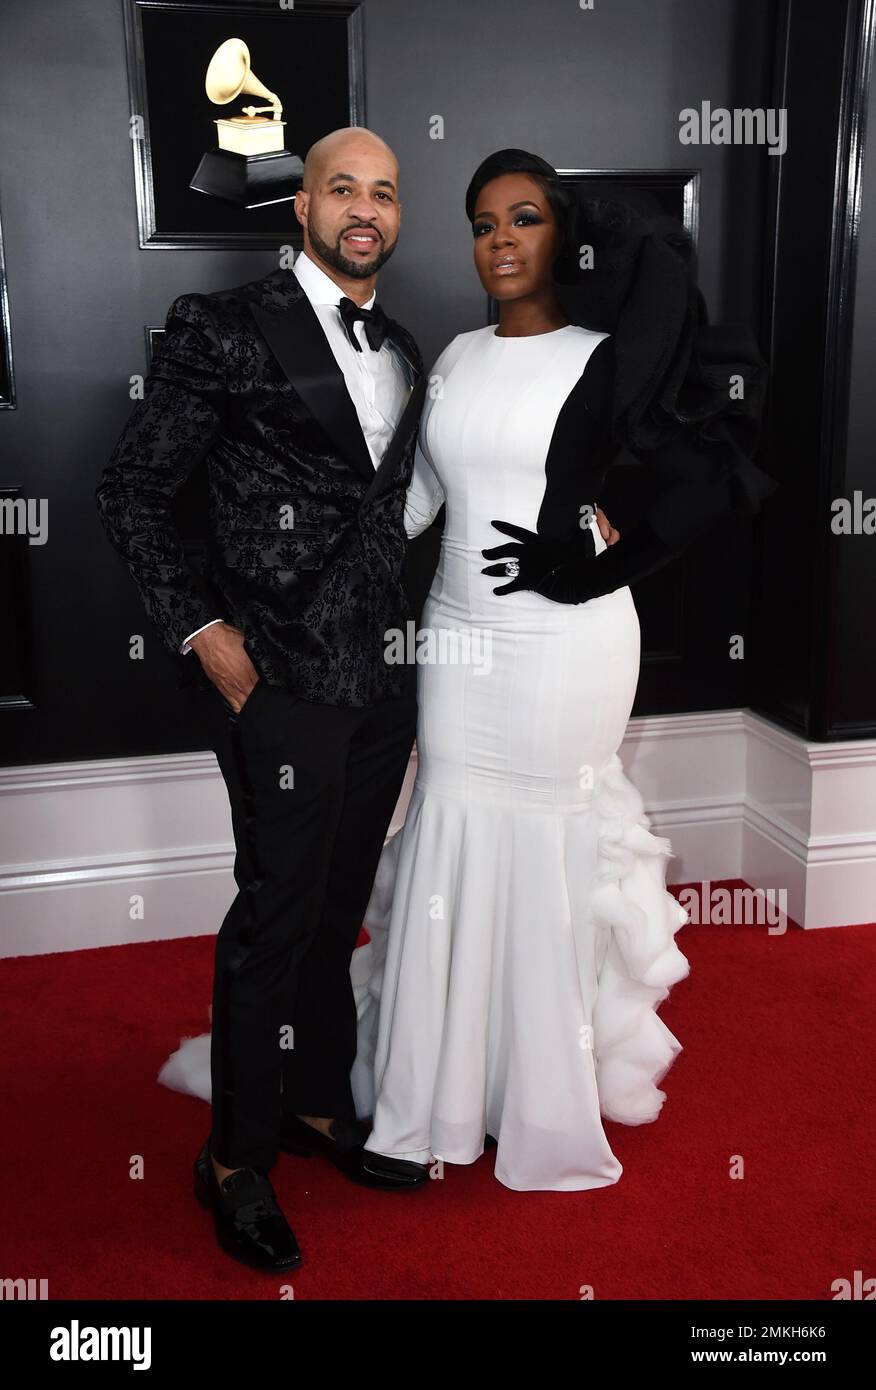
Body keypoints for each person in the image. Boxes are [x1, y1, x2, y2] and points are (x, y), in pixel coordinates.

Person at [95, 125, 624, 1268]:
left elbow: (434, 501)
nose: (365, 209)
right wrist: (204, 634)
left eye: (385, 191)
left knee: (341, 915)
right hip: (274, 682)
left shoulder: (410, 345)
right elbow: (132, 488)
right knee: (275, 919)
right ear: (303, 206)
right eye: (343, 189)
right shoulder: (223, 328)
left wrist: (597, 517)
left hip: (387, 683)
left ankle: (315, 1101)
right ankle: (233, 1159)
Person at [357, 149, 778, 1191]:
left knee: (546, 848)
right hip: (459, 641)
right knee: (453, 833)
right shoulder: (451, 355)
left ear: (567, 236)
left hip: (566, 647)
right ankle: (433, 1104)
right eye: (483, 222)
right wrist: (297, 568)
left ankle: (537, 1099)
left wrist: (597, 568)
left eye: (525, 218)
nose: (501, 239)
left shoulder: (612, 355)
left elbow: (708, 483)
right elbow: (413, 503)